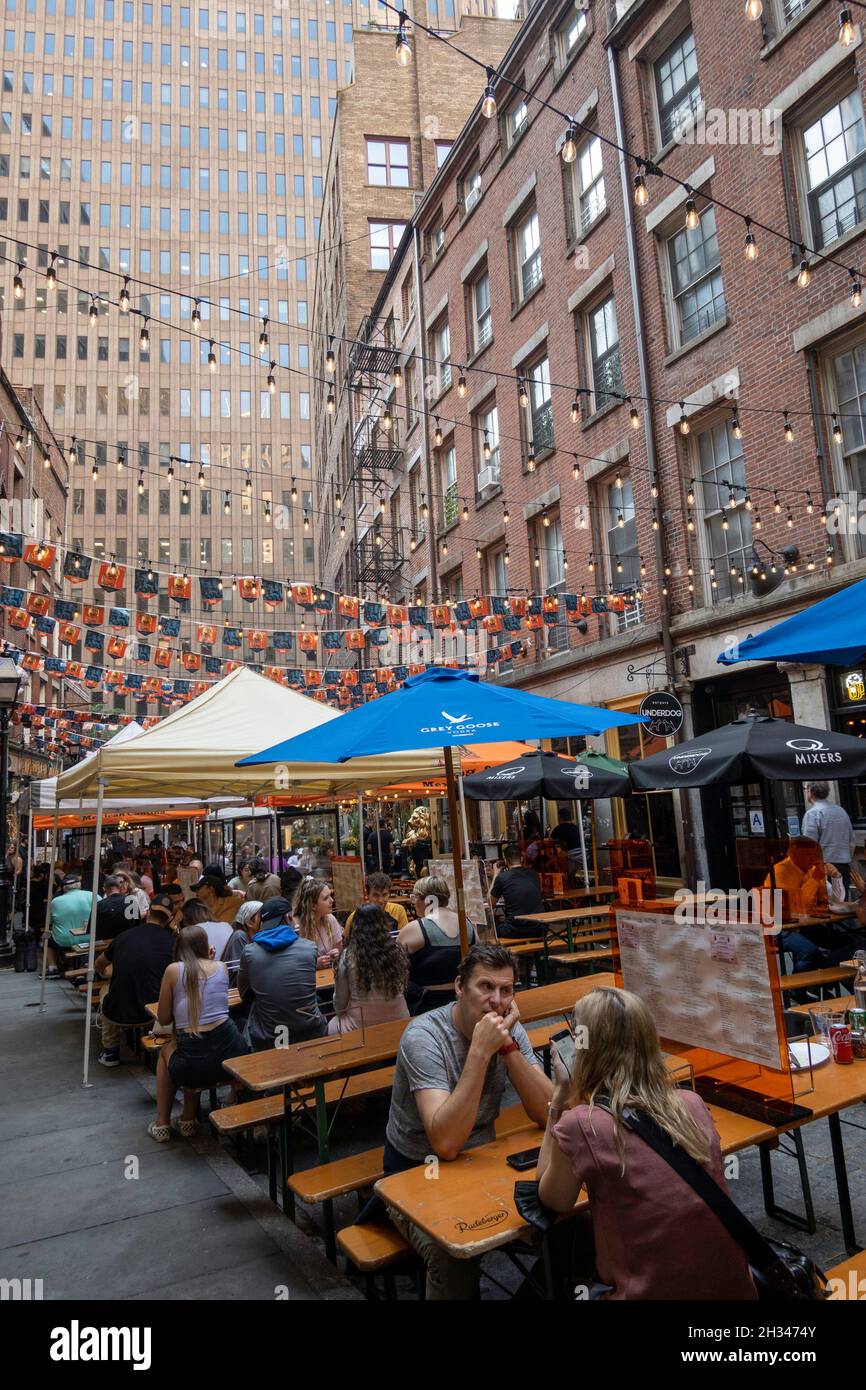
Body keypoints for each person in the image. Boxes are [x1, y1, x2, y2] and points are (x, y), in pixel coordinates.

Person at [536, 986, 757, 1300]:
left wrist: (558, 1098)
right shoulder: (691, 1103)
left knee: (566, 1243)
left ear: (587, 1049)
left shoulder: (581, 1124)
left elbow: (552, 1200)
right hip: (734, 1289)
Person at [379, 943, 552, 1299]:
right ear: (459, 986)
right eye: (485, 987)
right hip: (415, 1174)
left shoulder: (507, 1028)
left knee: (569, 1219)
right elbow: (445, 1144)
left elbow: (548, 1111)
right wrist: (479, 1051)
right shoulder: (423, 1036)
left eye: (506, 991)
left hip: (482, 1162)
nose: (496, 1000)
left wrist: (507, 1047)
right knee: (451, 1255)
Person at [148, 923, 250, 1141]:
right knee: (192, 1050)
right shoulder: (221, 967)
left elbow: (164, 1018)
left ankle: (162, 1123)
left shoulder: (173, 970)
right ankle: (187, 1119)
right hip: (231, 1056)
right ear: (206, 946)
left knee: (167, 1051)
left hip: (193, 1065)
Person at [95, 894, 179, 1067]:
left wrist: (106, 973)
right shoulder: (173, 943)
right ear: (170, 918)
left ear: (148, 912)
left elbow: (99, 964)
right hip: (156, 1014)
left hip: (119, 1012)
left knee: (105, 992)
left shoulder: (123, 937)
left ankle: (111, 1051)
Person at [237, 895, 328, 1048]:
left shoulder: (250, 952)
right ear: (287, 918)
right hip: (311, 1031)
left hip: (270, 1036)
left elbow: (243, 993)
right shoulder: (309, 947)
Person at [399, 875, 476, 1015]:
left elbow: (394, 971)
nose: (413, 902)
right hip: (464, 1002)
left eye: (415, 896)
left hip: (425, 1007)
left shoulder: (414, 929)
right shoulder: (468, 924)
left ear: (428, 900)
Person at [329, 904, 409, 1035]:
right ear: (384, 924)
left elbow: (339, 1006)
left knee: (332, 1025)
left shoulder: (347, 957)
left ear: (355, 927)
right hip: (400, 1020)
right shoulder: (398, 952)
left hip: (361, 1027)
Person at [802, 781, 856, 890]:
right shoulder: (841, 811)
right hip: (844, 865)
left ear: (810, 792)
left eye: (805, 789)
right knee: (841, 903)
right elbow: (852, 842)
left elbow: (808, 846)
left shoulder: (812, 814)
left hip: (823, 867)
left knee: (825, 904)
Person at [46, 872, 96, 975]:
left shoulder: (56, 901)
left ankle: (52, 967)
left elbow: (50, 922)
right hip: (89, 938)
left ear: (64, 888)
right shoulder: (92, 895)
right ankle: (82, 968)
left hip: (64, 940)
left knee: (47, 938)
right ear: (79, 884)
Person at [489, 844, 544, 937]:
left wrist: (495, 875)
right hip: (539, 927)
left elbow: (491, 903)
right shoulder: (534, 874)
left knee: (493, 930)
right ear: (522, 859)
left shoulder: (502, 877)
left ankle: (500, 951)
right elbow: (539, 893)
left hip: (515, 930)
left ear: (506, 860)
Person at [292, 877, 343, 968]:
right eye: (326, 898)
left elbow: (339, 947)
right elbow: (292, 963)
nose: (332, 900)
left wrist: (337, 953)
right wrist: (314, 965)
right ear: (313, 906)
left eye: (330, 896)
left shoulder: (330, 919)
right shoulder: (295, 926)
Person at [344, 872, 409, 936]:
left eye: (384, 895)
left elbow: (404, 941)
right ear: (367, 894)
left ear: (389, 894)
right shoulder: (354, 917)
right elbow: (347, 943)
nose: (380, 900)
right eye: (375, 895)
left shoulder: (398, 911)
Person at [95, 873, 141, 940]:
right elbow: (137, 925)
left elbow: (93, 930)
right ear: (119, 887)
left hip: (107, 946)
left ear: (104, 889)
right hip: (129, 942)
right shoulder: (131, 902)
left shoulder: (99, 905)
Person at [223, 899, 263, 965]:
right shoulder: (239, 936)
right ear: (249, 922)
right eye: (261, 917)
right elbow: (239, 970)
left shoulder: (257, 938)